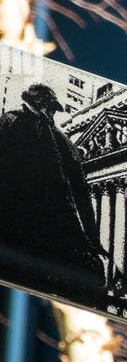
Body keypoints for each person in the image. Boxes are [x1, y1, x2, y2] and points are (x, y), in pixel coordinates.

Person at [0, 83, 106, 306]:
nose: (53, 114)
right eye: (51, 108)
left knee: (85, 279)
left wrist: (92, 237)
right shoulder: (10, 122)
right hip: (15, 222)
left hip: (53, 224)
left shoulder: (58, 138)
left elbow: (80, 186)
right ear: (40, 104)